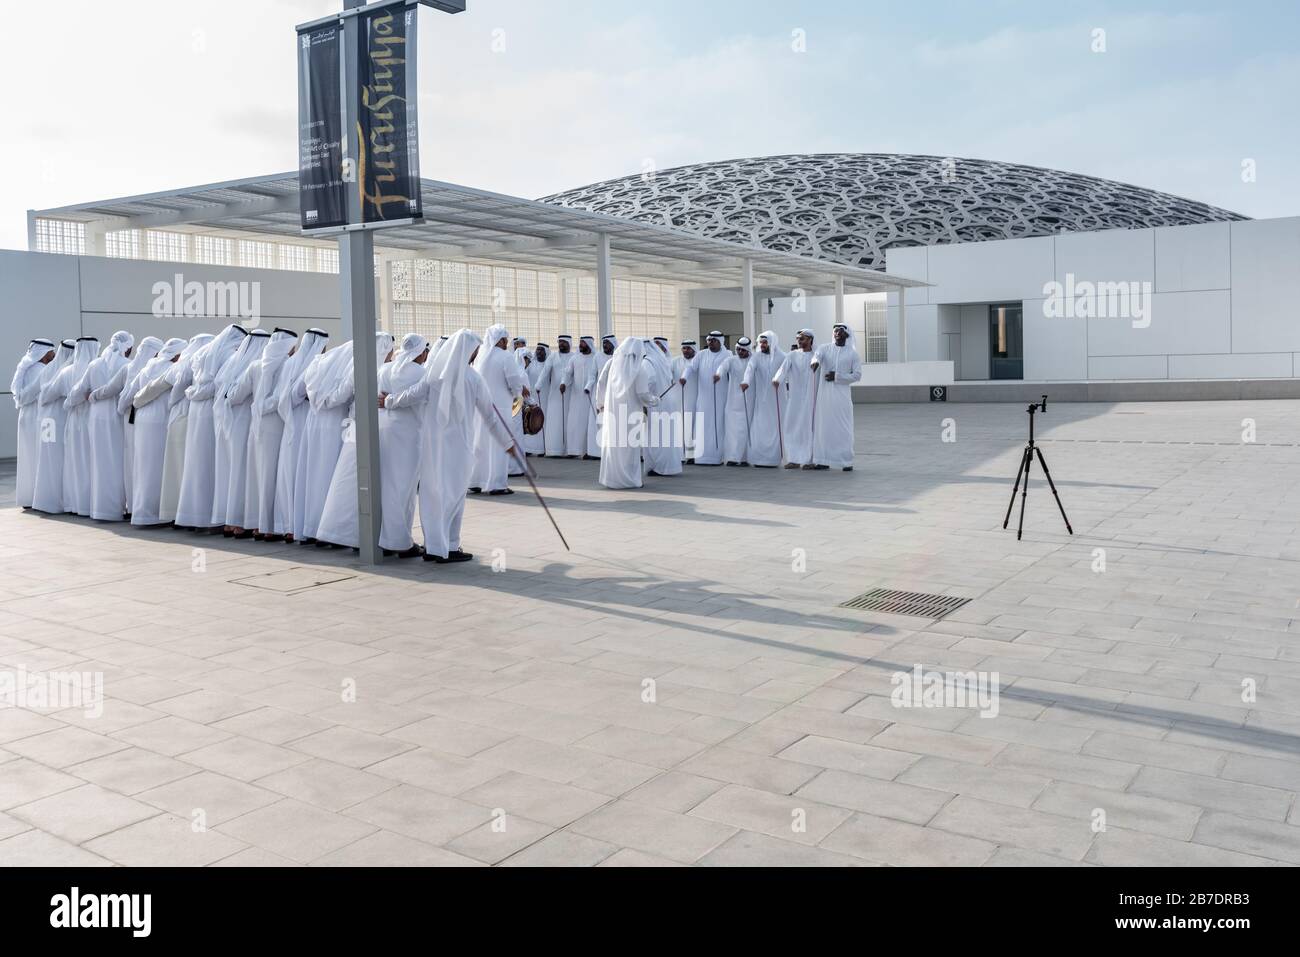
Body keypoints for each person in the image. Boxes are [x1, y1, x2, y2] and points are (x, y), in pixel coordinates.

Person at [382, 329, 515, 564]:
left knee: (433, 493)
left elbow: (411, 395)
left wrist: (389, 401)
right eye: (473, 351)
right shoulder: (473, 379)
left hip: (433, 446)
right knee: (454, 494)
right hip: (459, 447)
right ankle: (450, 546)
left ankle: (434, 546)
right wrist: (507, 443)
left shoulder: (434, 376)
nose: (475, 355)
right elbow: (490, 416)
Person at [314, 333, 396, 549]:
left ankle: (340, 533)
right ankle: (357, 535)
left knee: (349, 482)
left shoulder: (359, 367)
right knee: (367, 482)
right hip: (376, 430)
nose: (392, 354)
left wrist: (321, 400)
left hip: (356, 428)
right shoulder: (388, 372)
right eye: (389, 349)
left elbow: (339, 396)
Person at [176, 324, 247, 530]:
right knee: (210, 463)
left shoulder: (202, 353)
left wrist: (192, 393)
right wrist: (197, 393)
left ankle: (193, 515)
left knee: (197, 462)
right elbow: (218, 386)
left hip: (197, 410)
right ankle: (207, 516)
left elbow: (191, 383)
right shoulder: (228, 354)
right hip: (210, 411)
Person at [270, 328, 328, 542]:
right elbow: (294, 394)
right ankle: (298, 526)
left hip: (290, 423)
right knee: (300, 475)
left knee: (289, 475)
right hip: (302, 421)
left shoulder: (289, 363)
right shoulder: (314, 363)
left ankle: (290, 526)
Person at [296, 342, 356, 544]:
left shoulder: (316, 364)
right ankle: (324, 529)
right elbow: (339, 396)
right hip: (335, 426)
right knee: (329, 476)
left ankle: (312, 527)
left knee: (314, 475)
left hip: (314, 424)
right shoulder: (349, 366)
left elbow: (308, 392)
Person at [240, 328, 298, 538]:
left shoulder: (255, 365)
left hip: (257, 425)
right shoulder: (287, 365)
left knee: (259, 474)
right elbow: (282, 397)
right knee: (272, 475)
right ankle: (270, 526)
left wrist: (258, 406)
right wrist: (266, 405)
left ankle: (259, 524)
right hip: (276, 425)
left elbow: (238, 393)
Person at [377, 333, 429, 558]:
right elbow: (419, 397)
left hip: (386, 430)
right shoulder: (421, 372)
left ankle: (387, 539)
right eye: (425, 349)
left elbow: (380, 398)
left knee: (388, 485)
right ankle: (401, 541)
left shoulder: (386, 369)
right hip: (408, 434)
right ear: (419, 352)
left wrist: (390, 400)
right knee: (405, 489)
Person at [126, 338, 188, 526]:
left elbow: (130, 393)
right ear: (176, 354)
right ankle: (153, 514)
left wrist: (135, 403)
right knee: (157, 467)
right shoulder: (169, 368)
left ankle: (142, 512)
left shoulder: (146, 368)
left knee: (144, 466)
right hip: (159, 420)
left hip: (143, 419)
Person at [214, 329, 270, 535]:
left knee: (231, 471)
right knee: (242, 472)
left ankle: (230, 520)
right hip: (243, 423)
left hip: (227, 423)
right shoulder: (256, 363)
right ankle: (239, 522)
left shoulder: (231, 362)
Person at [158, 333, 214, 525]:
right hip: (186, 415)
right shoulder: (193, 361)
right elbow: (180, 387)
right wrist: (179, 401)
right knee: (185, 465)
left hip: (179, 415)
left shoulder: (184, 361)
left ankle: (180, 513)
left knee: (179, 466)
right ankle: (188, 514)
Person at [469, 323, 527, 496]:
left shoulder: (480, 356)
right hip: (501, 408)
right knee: (499, 445)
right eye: (505, 339)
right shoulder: (505, 356)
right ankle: (497, 484)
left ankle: (476, 481)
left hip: (481, 409)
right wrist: (519, 394)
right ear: (500, 340)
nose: (507, 342)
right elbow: (514, 381)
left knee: (480, 445)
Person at [595, 337, 657, 490]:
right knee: (629, 447)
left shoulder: (611, 363)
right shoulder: (639, 369)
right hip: (630, 414)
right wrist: (655, 400)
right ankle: (630, 480)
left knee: (614, 445)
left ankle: (612, 479)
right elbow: (643, 394)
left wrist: (600, 404)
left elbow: (600, 384)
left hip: (612, 411)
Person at [111, 337, 164, 516]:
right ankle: (137, 506)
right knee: (140, 463)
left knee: (134, 462)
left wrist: (125, 409)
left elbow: (123, 400)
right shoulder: (151, 368)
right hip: (140, 420)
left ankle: (134, 506)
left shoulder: (132, 367)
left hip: (133, 419)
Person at [28, 340, 74, 515]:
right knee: (56, 459)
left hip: (47, 420)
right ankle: (54, 501)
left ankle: (46, 500)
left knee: (48, 457)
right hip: (56, 421)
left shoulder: (49, 369)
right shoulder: (63, 371)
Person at [11, 338, 56, 509]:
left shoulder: (28, 368)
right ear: (44, 353)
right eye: (52, 351)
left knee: (29, 455)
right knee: (41, 454)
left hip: (27, 416)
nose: (54, 354)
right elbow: (32, 394)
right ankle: (40, 497)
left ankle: (29, 497)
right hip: (40, 417)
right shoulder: (40, 370)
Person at [811, 323, 863, 471]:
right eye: (835, 331)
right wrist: (814, 363)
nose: (837, 333)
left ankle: (846, 461)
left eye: (840, 331)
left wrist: (837, 376)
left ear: (847, 334)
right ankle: (822, 460)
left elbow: (857, 375)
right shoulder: (824, 348)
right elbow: (817, 356)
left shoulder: (852, 354)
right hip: (824, 397)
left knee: (843, 427)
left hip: (842, 397)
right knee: (823, 427)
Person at [60, 337, 104, 517]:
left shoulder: (66, 371)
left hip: (74, 420)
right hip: (93, 420)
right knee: (92, 462)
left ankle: (77, 504)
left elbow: (57, 394)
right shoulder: (98, 367)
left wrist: (68, 404)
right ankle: (92, 504)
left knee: (75, 462)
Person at [681, 331, 731, 466]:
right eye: (709, 340)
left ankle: (717, 457)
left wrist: (719, 375)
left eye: (713, 341)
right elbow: (690, 367)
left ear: (720, 341)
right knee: (701, 424)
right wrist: (684, 377)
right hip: (703, 398)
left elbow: (725, 367)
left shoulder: (728, 354)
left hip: (720, 397)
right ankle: (700, 457)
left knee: (718, 425)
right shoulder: (701, 355)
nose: (710, 343)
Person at [772, 328, 817, 470]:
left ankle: (810, 460)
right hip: (795, 398)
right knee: (792, 426)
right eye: (798, 338)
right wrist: (777, 379)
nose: (799, 341)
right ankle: (793, 459)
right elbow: (783, 369)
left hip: (811, 398)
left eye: (802, 338)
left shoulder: (816, 355)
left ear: (810, 340)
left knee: (809, 428)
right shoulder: (791, 355)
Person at [741, 330, 785, 468]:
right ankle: (759, 459)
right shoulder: (756, 357)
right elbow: (749, 369)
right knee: (759, 426)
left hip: (777, 399)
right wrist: (746, 382)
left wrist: (779, 379)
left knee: (776, 428)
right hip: (761, 401)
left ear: (772, 342)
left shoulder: (782, 356)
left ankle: (774, 459)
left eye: (765, 342)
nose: (762, 345)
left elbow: (784, 371)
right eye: (761, 342)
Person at [641, 337, 682, 478]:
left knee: (657, 436)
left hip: (656, 402)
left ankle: (659, 467)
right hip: (667, 401)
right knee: (666, 435)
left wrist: (643, 398)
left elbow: (648, 382)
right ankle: (668, 466)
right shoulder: (661, 360)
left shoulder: (647, 362)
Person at [534, 334, 574, 457]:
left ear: (569, 344)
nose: (561, 344)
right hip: (554, 395)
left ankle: (569, 450)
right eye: (559, 342)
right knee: (554, 421)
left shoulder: (574, 357)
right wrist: (538, 386)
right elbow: (545, 372)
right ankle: (553, 450)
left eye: (563, 342)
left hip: (570, 394)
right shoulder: (553, 356)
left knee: (569, 421)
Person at [716, 336, 752, 466]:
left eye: (742, 350)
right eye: (738, 349)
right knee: (732, 429)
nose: (740, 352)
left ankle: (744, 458)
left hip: (748, 401)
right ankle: (732, 457)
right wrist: (718, 375)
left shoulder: (753, 360)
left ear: (748, 350)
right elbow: (722, 368)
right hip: (732, 401)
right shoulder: (730, 360)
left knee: (745, 430)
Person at [566, 335, 599, 460]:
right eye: (580, 343)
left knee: (588, 424)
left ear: (589, 344)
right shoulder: (575, 358)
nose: (580, 345)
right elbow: (568, 373)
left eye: (583, 343)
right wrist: (564, 383)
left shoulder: (595, 358)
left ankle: (587, 451)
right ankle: (574, 450)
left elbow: (594, 376)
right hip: (575, 397)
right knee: (574, 423)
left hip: (590, 396)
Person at [671, 340, 698, 463]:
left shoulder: (698, 360)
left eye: (688, 348)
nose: (686, 351)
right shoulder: (675, 361)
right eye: (684, 348)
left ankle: (691, 455)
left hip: (694, 399)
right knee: (679, 427)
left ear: (693, 349)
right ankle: (680, 455)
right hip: (678, 400)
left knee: (693, 427)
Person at [523, 343, 548, 457]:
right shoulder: (531, 365)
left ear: (546, 352)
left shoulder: (548, 365)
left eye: (541, 350)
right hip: (532, 398)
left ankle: (543, 449)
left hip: (546, 398)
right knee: (531, 421)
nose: (538, 352)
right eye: (537, 350)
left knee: (543, 423)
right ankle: (529, 448)